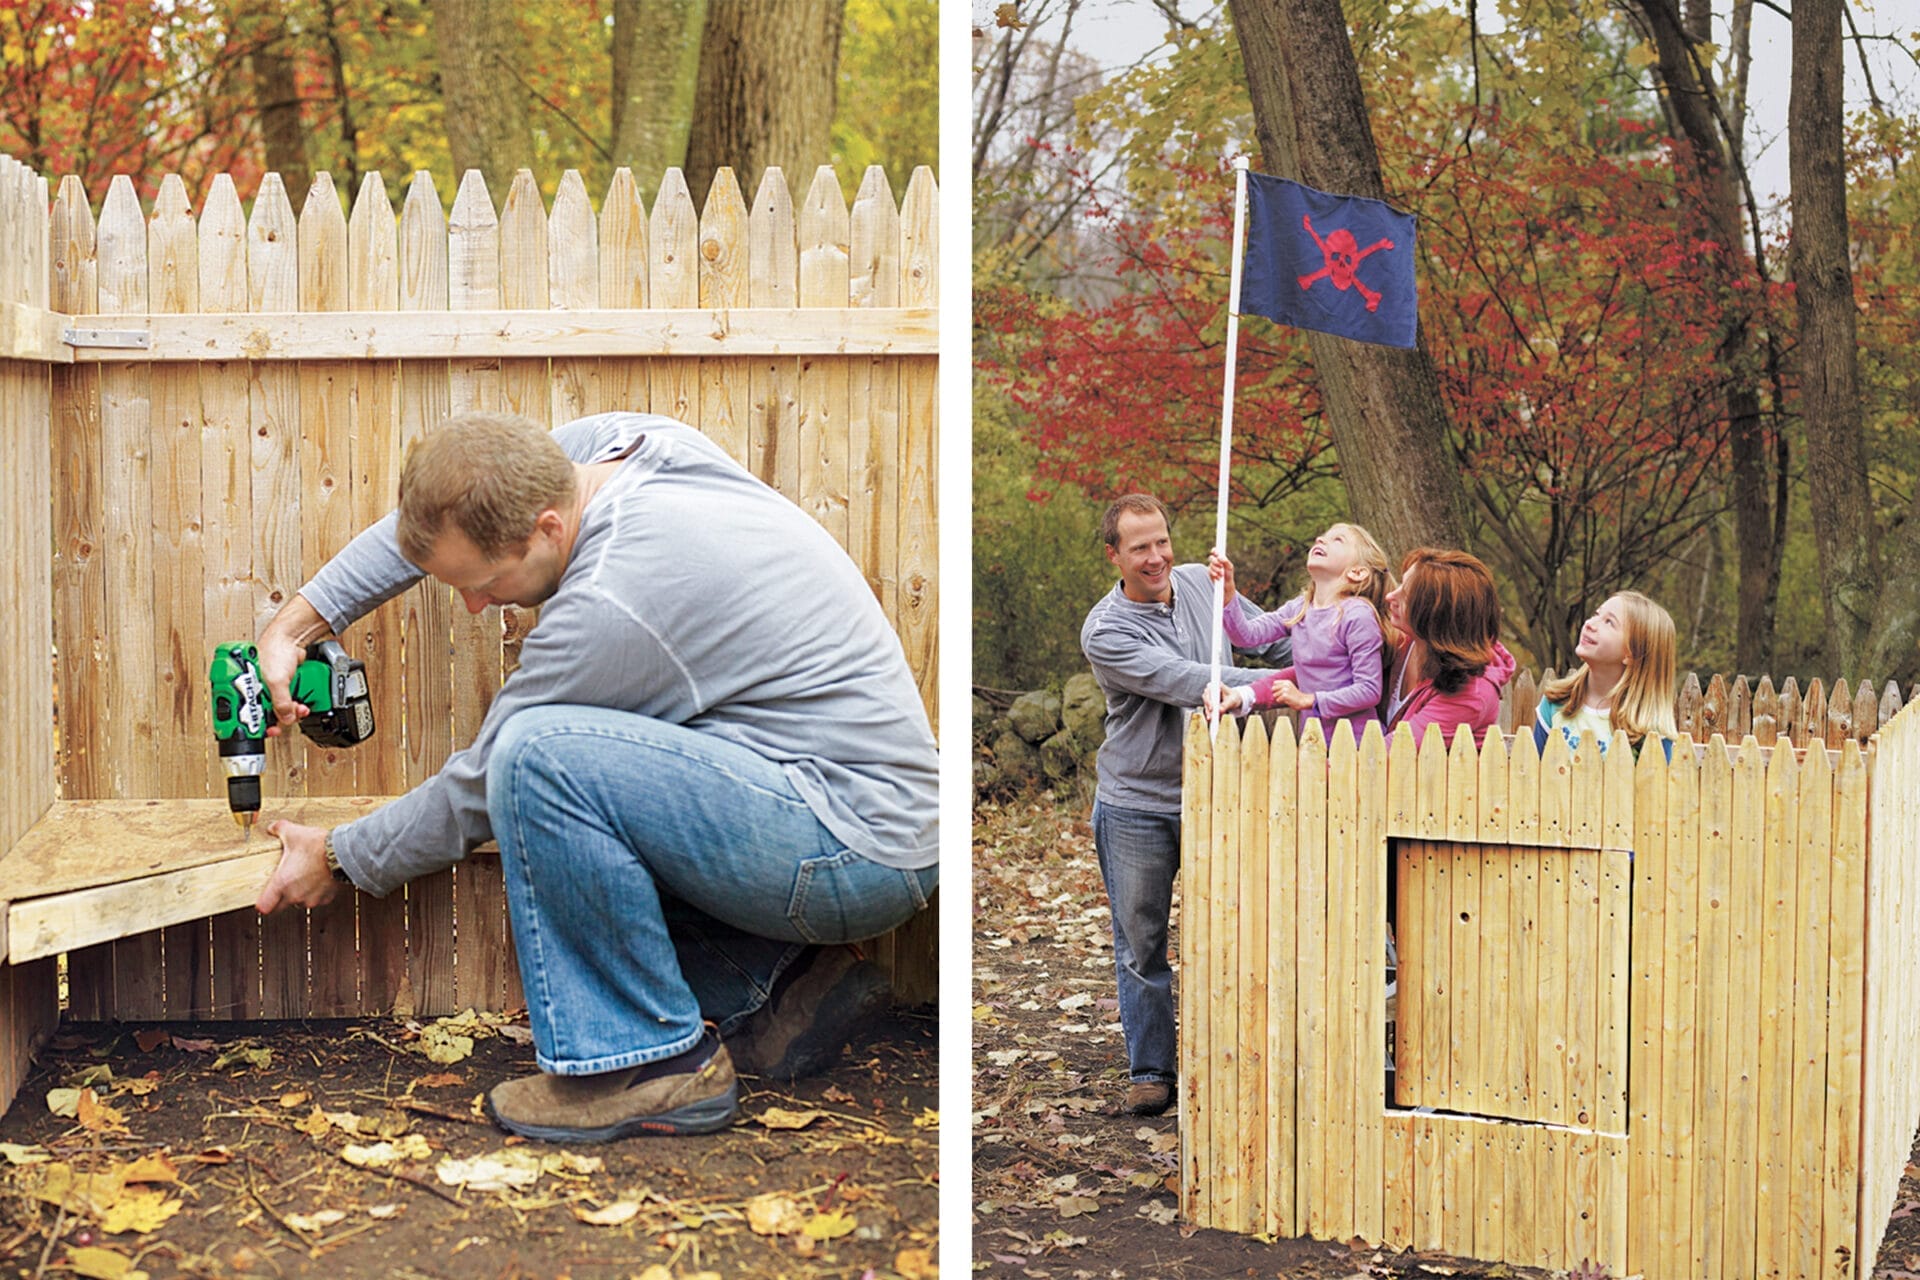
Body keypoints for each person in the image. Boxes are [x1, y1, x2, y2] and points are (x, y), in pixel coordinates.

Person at [250, 411, 939, 1144]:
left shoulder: (615, 599)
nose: (474, 605)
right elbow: (428, 520)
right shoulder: (624, 447)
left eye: (484, 583)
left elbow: (481, 783)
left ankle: (642, 1067)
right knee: (596, 761)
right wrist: (294, 627)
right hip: (853, 816)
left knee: (537, 758)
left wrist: (340, 857)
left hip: (850, 849)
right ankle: (778, 989)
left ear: (546, 527)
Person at [1079, 494, 1289, 1117]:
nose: (1156, 557)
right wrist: (1294, 692)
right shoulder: (1106, 630)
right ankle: (1151, 1071)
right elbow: (1191, 682)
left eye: (1162, 541)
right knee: (1141, 941)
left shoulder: (1202, 581)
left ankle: (1231, 1057)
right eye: (1139, 547)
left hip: (1219, 794)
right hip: (1137, 803)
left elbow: (1270, 639)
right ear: (1114, 555)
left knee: (1233, 929)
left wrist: (1339, 647)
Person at [1203, 522, 1393, 743]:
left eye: (1337, 540)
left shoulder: (1358, 615)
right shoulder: (1300, 608)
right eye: (1322, 535)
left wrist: (1309, 700)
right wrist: (1228, 594)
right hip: (1314, 742)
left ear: (1357, 572)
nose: (1321, 539)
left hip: (1357, 744)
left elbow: (1369, 690)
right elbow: (1246, 637)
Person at [1381, 547, 1515, 746]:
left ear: (1436, 614)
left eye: (1407, 595)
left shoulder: (1471, 694)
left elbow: (1395, 751)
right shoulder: (1405, 641)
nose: (1390, 596)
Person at [1532, 591, 1679, 760]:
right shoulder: (1556, 703)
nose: (1590, 624)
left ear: (1632, 653)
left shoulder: (1650, 730)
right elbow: (1531, 777)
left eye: (1609, 622)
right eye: (1597, 614)